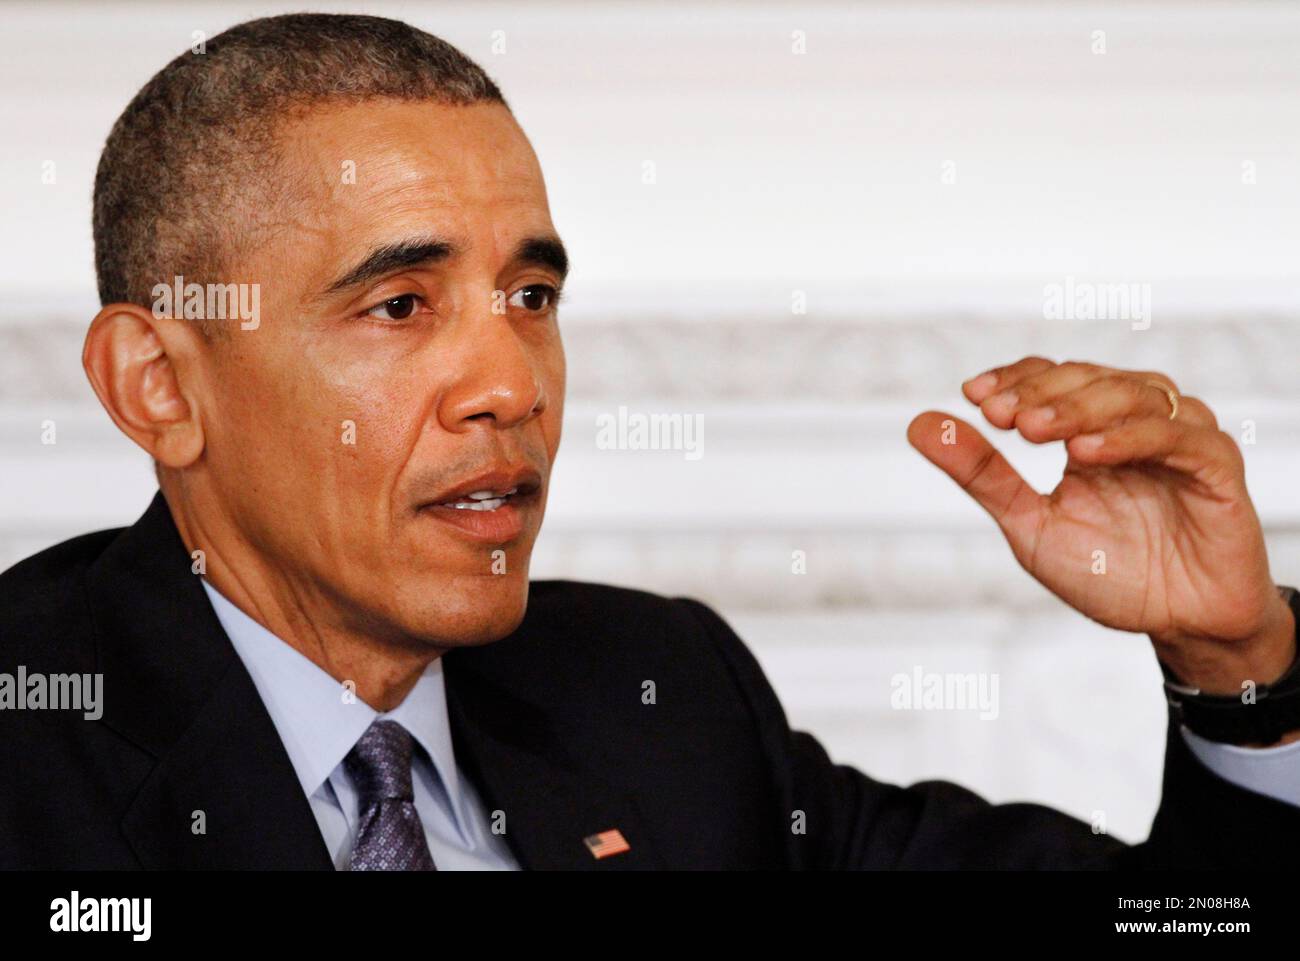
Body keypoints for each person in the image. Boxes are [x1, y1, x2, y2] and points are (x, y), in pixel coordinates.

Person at [1, 13, 1297, 870]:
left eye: (531, 298)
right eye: (401, 306)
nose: (509, 383)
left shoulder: (659, 695)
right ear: (157, 385)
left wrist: (1238, 666)